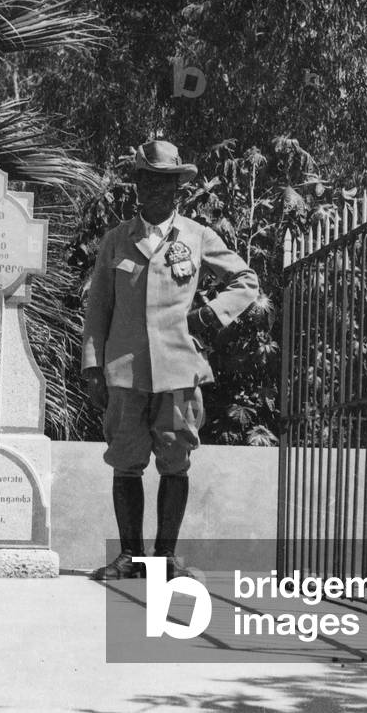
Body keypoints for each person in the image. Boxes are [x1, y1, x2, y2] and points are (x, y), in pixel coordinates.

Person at [81, 139, 259, 580]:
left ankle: (163, 558)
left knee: (175, 457)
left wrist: (210, 315)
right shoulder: (116, 241)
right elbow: (98, 307)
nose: (157, 190)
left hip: (179, 367)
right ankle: (129, 556)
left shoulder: (198, 237)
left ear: (178, 188)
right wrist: (91, 364)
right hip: (125, 368)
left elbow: (245, 279)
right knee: (126, 458)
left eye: (166, 183)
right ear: (137, 186)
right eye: (148, 181)